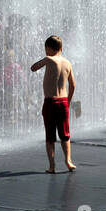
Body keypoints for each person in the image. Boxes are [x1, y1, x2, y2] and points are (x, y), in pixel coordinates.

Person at [31, 35, 76, 172]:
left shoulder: (49, 59)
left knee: (50, 136)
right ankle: (68, 161)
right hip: (63, 102)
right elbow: (73, 85)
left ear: (48, 48)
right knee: (65, 134)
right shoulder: (68, 63)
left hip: (50, 101)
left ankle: (52, 166)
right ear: (61, 48)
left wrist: (44, 60)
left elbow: (33, 68)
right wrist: (68, 101)